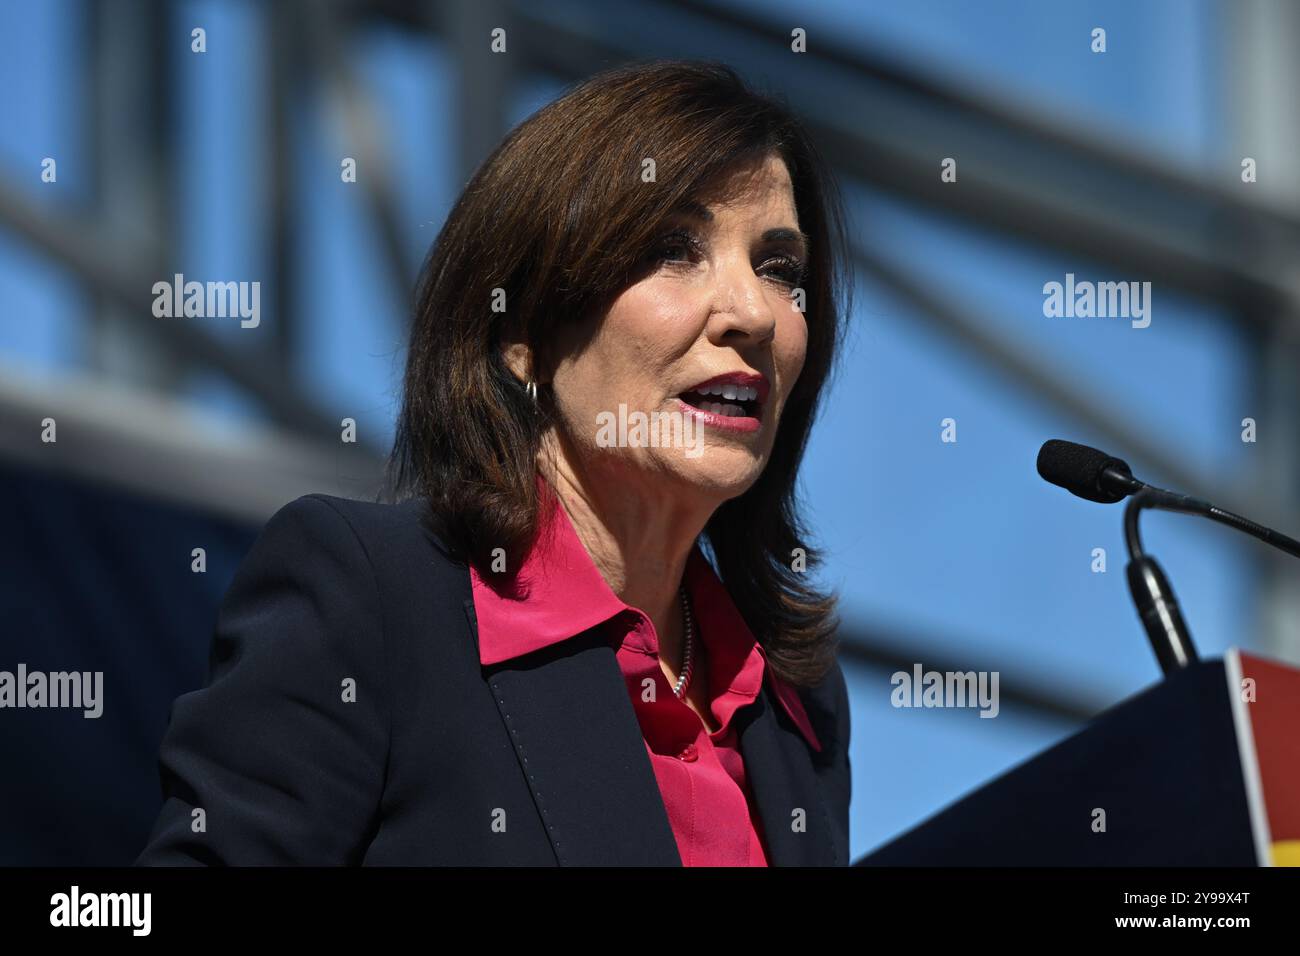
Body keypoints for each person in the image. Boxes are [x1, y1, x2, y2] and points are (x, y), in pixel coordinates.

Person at [136, 59, 853, 866]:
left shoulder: (799, 703)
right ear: (522, 338)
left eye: (779, 267)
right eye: (674, 248)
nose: (754, 312)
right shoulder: (370, 595)